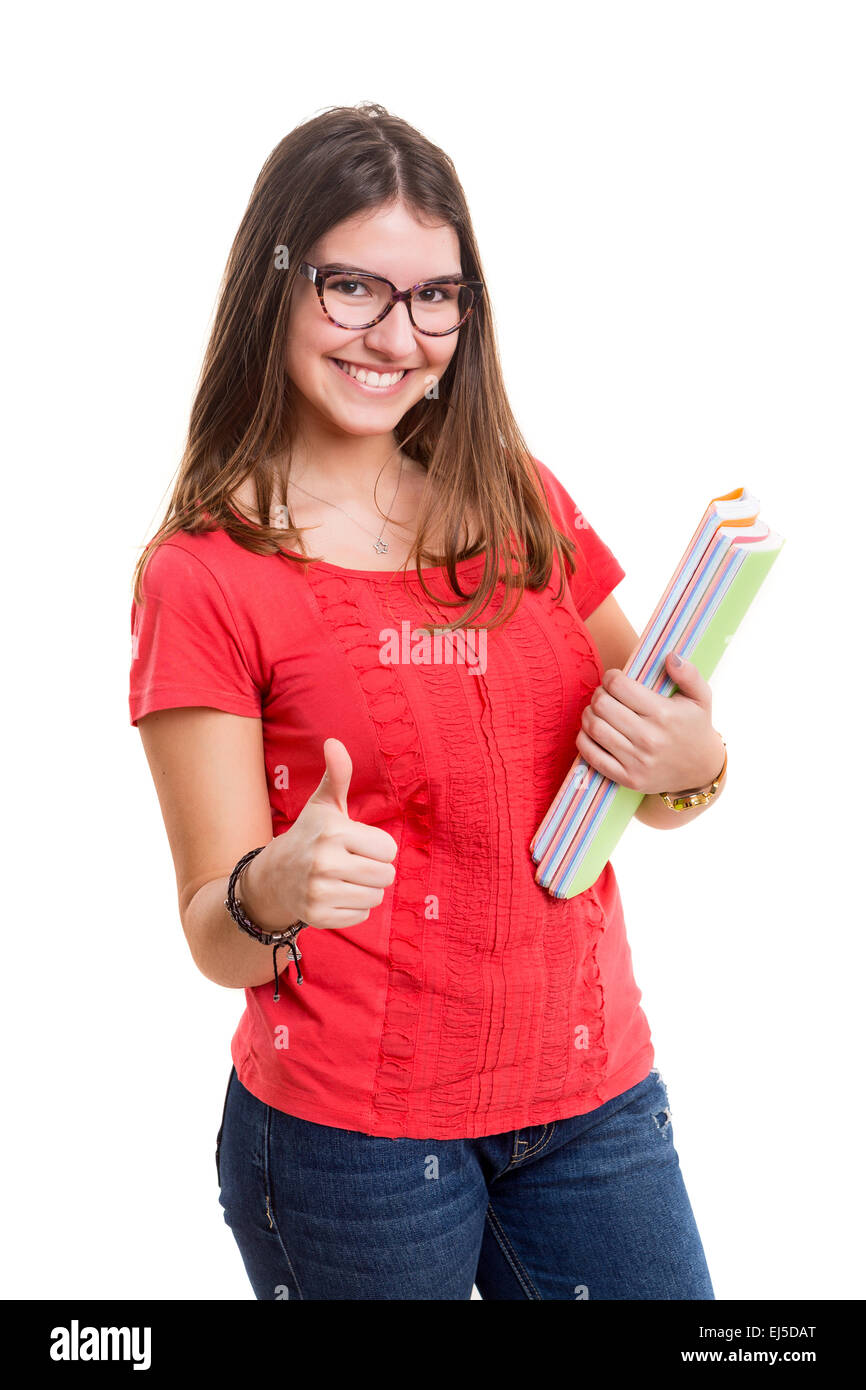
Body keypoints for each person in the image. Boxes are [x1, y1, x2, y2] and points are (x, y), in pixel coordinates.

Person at [129, 102, 725, 1301]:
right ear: (276, 285)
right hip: (356, 1144)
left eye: (435, 296)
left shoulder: (519, 500)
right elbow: (212, 931)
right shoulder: (202, 573)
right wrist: (273, 888)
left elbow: (647, 785)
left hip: (593, 1102)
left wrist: (692, 760)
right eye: (352, 287)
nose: (396, 336)